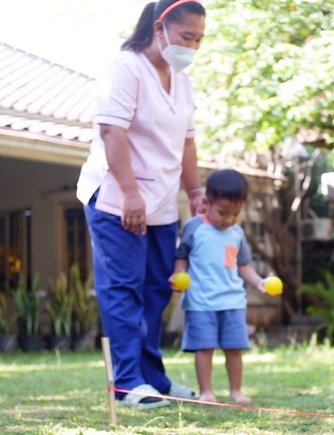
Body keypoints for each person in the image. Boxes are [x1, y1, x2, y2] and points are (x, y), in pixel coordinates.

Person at [76, 0, 206, 409]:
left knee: (156, 290)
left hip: (163, 203)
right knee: (124, 289)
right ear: (160, 27)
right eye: (187, 37)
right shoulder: (125, 68)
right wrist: (130, 193)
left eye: (199, 40)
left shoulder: (181, 82)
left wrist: (196, 191)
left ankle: (153, 378)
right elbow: (113, 133)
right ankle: (128, 382)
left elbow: (186, 143)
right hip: (118, 198)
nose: (193, 47)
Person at [172, 169, 268, 404]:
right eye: (223, 212)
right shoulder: (194, 228)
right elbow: (181, 256)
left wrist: (259, 282)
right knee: (204, 348)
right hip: (200, 301)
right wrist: (178, 275)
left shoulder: (236, 233)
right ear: (206, 203)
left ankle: (236, 390)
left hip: (232, 301)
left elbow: (243, 265)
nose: (229, 219)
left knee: (234, 347)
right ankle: (207, 391)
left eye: (236, 214)